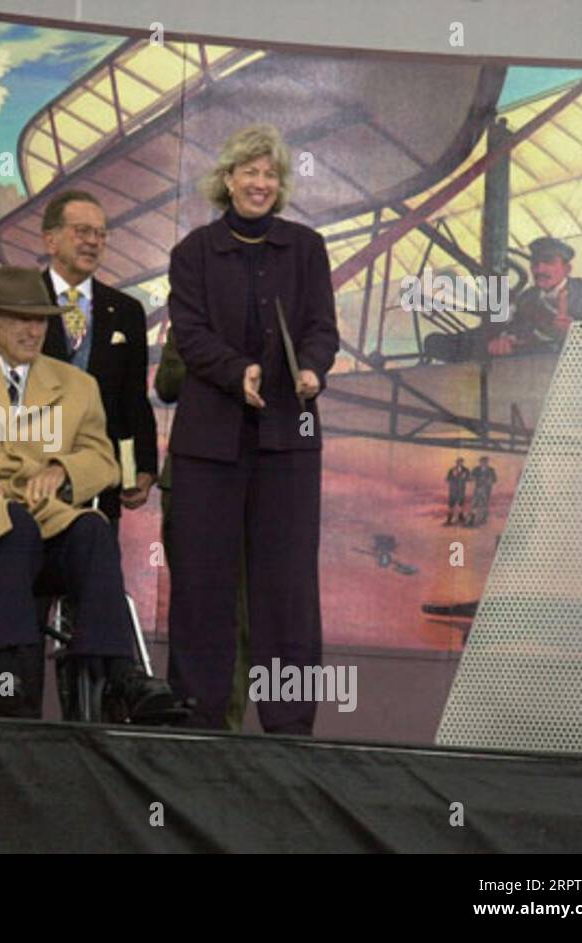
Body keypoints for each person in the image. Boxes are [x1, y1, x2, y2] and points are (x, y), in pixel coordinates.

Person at [0, 266, 174, 720]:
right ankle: (6, 679)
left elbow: (102, 460)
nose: (33, 330)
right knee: (12, 524)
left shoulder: (77, 385)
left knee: (92, 530)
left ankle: (122, 674)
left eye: (41, 320)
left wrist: (63, 467)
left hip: (47, 521)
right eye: (22, 320)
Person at [165, 124, 339, 733]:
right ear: (228, 180)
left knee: (289, 588)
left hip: (287, 440)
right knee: (201, 583)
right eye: (250, 172)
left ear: (281, 184)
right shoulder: (192, 253)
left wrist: (312, 369)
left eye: (270, 174)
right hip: (208, 443)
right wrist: (238, 372)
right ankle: (198, 716)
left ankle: (291, 726)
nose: (260, 183)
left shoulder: (307, 248)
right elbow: (188, 336)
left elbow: (322, 327)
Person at [0, 191, 157, 532]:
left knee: (93, 570)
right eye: (81, 231)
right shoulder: (13, 301)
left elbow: (132, 398)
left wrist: (139, 468)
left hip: (96, 477)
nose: (93, 242)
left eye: (101, 234)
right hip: (23, 474)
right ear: (50, 239)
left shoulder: (126, 311)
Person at [155, 327, 251, 732]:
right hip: (188, 480)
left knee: (240, 611)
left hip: (250, 479)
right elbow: (166, 384)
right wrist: (218, 363)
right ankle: (186, 714)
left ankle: (226, 725)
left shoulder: (272, 316)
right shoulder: (192, 322)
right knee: (191, 604)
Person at [487, 237, 582, 358]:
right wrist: (504, 340)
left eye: (549, 262)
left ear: (567, 269)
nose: (540, 269)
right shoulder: (525, 300)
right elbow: (514, 330)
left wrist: (580, 333)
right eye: (535, 263)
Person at [468, 456, 497, 527]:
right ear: (480, 462)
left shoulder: (491, 470)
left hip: (486, 490)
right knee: (474, 504)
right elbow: (470, 477)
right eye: (482, 462)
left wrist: (490, 481)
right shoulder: (476, 469)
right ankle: (472, 518)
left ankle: (483, 519)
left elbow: (494, 480)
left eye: (485, 462)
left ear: (487, 462)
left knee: (484, 504)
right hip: (477, 489)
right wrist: (472, 478)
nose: (484, 463)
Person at [444, 457, 469, 527]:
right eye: (458, 462)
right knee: (451, 505)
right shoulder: (452, 470)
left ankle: (461, 518)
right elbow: (447, 479)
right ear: (456, 462)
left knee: (461, 504)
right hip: (453, 491)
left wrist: (465, 477)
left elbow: (469, 478)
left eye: (461, 462)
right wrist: (452, 476)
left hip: (461, 490)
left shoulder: (466, 470)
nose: (459, 463)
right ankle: (449, 520)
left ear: (462, 462)